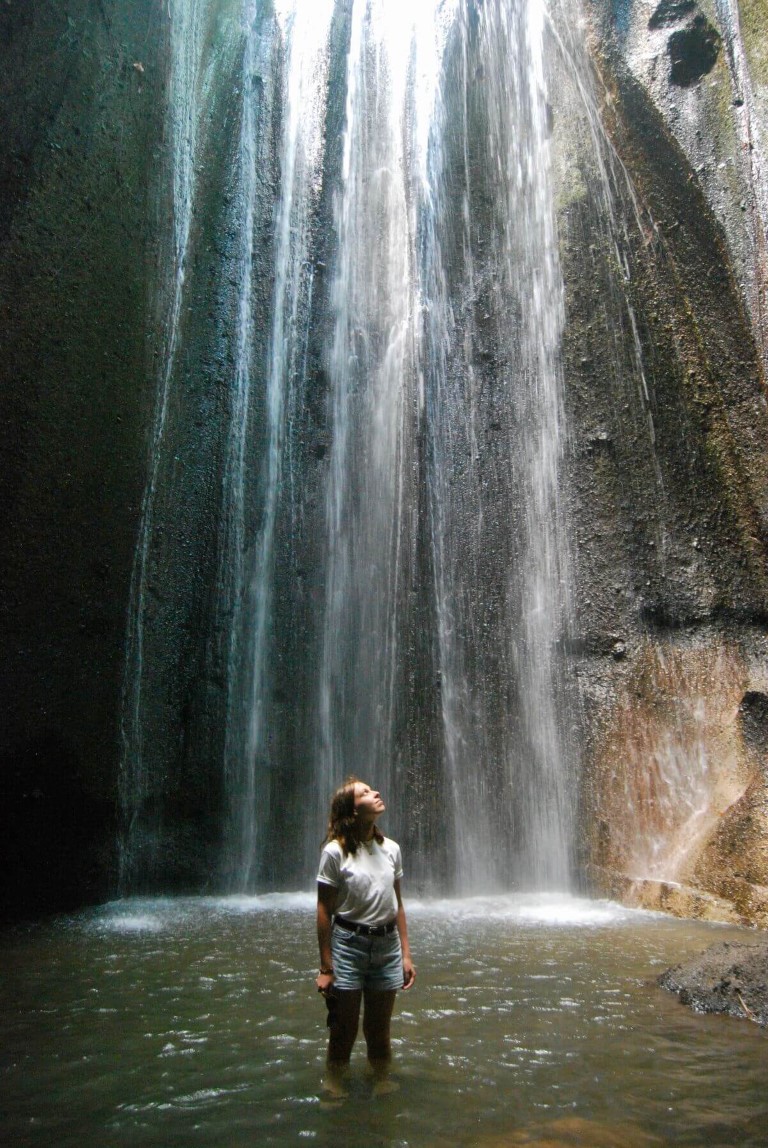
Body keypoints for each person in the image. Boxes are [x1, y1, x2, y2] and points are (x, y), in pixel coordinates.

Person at [315, 777, 415, 1092]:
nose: (376, 793)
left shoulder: (391, 849)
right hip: (348, 946)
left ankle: (381, 1080)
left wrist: (406, 955)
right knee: (343, 1029)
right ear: (352, 811)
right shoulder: (334, 853)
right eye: (366, 793)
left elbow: (397, 905)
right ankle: (333, 1083)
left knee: (379, 1030)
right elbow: (323, 910)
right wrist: (326, 967)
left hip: (386, 947)